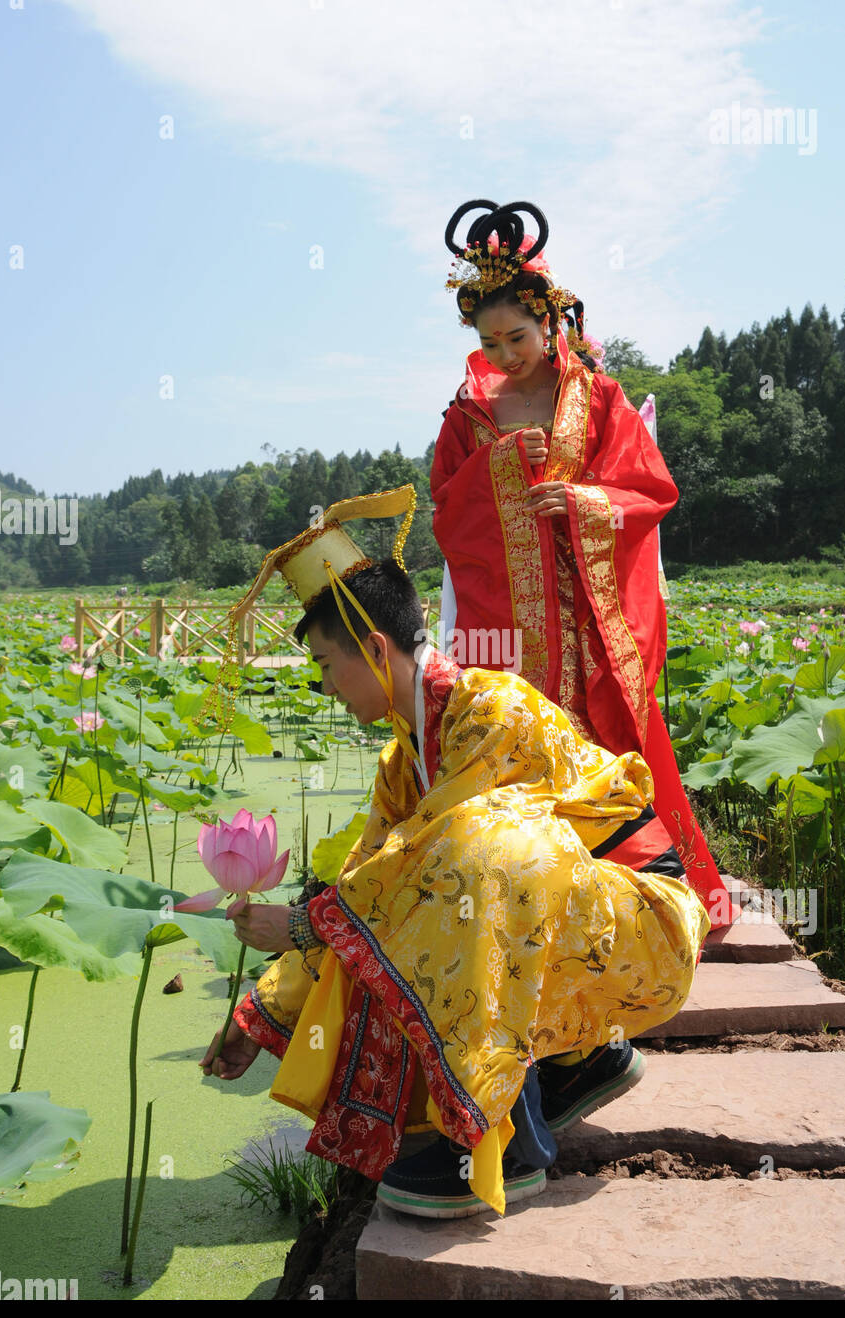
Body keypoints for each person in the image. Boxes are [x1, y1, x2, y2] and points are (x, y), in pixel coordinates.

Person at [199, 486, 710, 1219]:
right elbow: (365, 881)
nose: (323, 687)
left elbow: (409, 879)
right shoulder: (402, 764)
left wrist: (309, 922)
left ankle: (495, 1142)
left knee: (474, 857)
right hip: (580, 927)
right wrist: (256, 1014)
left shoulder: (491, 713)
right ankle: (572, 1064)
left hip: (649, 927)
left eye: (324, 665)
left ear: (376, 650)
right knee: (421, 885)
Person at [430, 199, 735, 927]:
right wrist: (499, 468)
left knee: (613, 743)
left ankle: (643, 897)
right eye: (491, 341)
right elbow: (447, 512)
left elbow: (651, 488)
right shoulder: (467, 415)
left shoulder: (597, 397)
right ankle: (525, 900)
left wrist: (584, 500)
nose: (507, 355)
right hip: (510, 629)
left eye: (518, 336)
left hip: (592, 622)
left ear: (550, 321)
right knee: (515, 744)